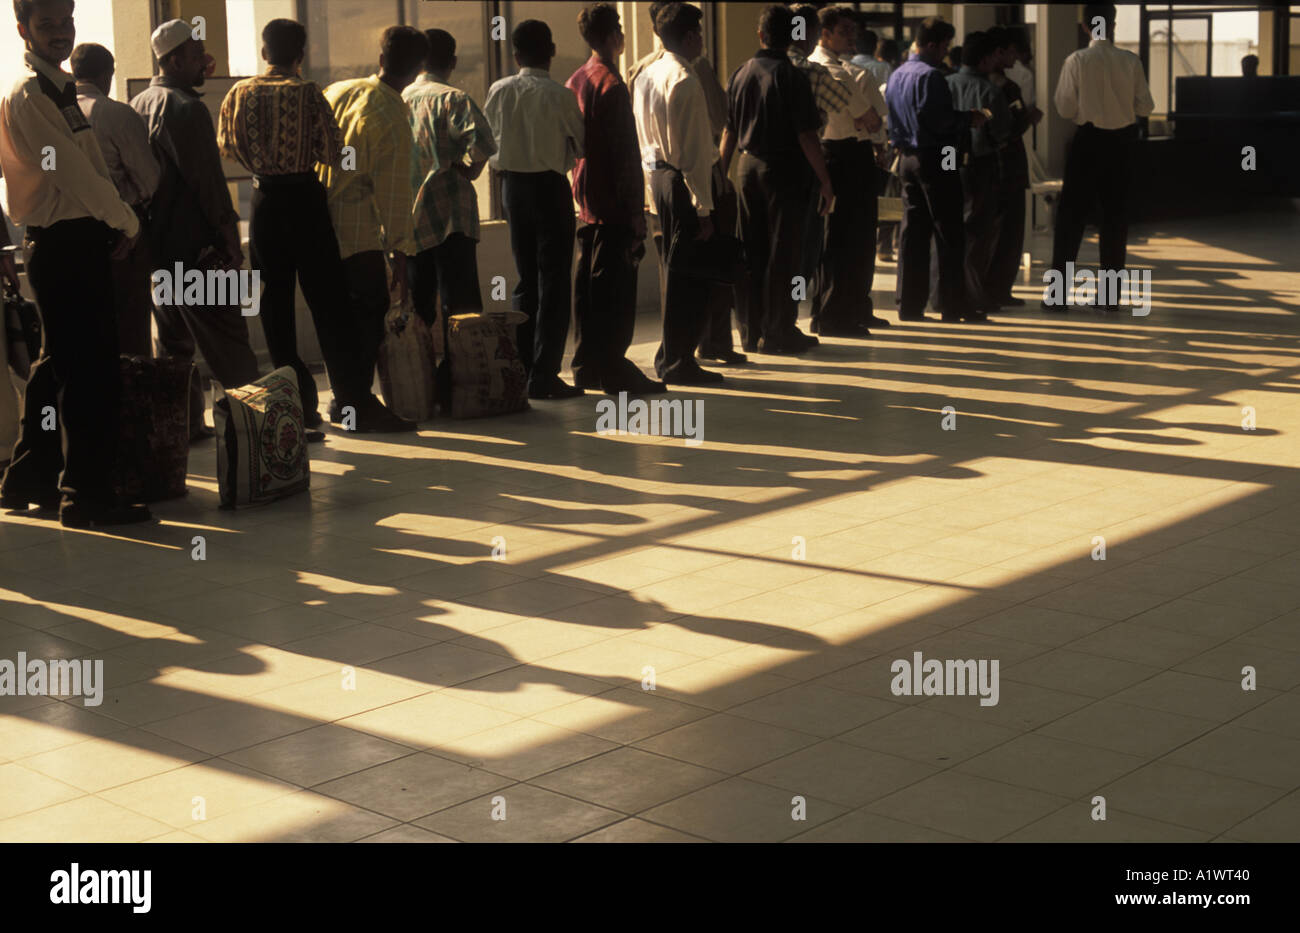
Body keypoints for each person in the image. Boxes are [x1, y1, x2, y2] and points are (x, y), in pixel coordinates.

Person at [0, 0, 149, 526]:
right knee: (91, 374)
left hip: (79, 236)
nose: (61, 33)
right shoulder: (29, 94)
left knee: (56, 367)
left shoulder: (59, 88)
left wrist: (114, 220)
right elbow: (72, 175)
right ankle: (86, 496)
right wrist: (127, 221)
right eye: (48, 25)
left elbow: (91, 169)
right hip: (62, 242)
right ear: (23, 29)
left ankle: (29, 478)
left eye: (66, 23)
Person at [218, 18, 358, 434]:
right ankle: (348, 399)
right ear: (300, 54)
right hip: (306, 201)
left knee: (275, 308)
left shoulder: (239, 92)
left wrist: (262, 163)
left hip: (265, 202)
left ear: (264, 53)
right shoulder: (308, 93)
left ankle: (296, 408)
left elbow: (227, 146)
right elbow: (334, 152)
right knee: (328, 302)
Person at [133, 19, 261, 440]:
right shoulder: (186, 108)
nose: (205, 62)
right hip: (199, 252)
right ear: (172, 60)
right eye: (194, 55)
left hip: (160, 252)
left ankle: (182, 429)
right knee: (230, 343)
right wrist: (229, 235)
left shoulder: (142, 102)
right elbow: (207, 182)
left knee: (174, 348)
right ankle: (258, 432)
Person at [318, 25, 427, 427]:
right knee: (366, 316)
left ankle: (341, 402)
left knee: (334, 319)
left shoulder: (337, 91)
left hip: (318, 223)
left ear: (381, 59)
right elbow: (394, 192)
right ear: (418, 70)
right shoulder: (393, 114)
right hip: (358, 232)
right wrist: (401, 253)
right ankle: (358, 405)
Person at [626, 2, 745, 369]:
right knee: (692, 278)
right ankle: (678, 361)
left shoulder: (645, 73)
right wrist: (704, 210)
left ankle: (675, 356)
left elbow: (643, 140)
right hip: (684, 181)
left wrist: (653, 186)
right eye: (700, 35)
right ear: (692, 37)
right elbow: (694, 154)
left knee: (675, 273)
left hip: (657, 176)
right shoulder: (686, 79)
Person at [719, 4, 832, 355]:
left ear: (760, 34)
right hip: (784, 172)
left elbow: (730, 129)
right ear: (794, 36)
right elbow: (807, 135)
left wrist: (720, 174)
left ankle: (751, 332)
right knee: (786, 255)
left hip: (746, 167)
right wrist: (825, 181)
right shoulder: (791, 76)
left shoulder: (740, 72)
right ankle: (780, 330)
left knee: (752, 253)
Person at [484, 19, 586, 399]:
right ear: (553, 51)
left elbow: (487, 140)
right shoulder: (560, 95)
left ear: (514, 55)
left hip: (512, 188)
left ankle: (521, 367)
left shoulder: (499, 90)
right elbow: (582, 145)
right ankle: (545, 374)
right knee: (555, 281)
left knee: (525, 279)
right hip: (549, 187)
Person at [566, 4, 664, 396]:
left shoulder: (577, 79)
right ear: (612, 36)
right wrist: (635, 212)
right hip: (613, 204)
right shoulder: (612, 85)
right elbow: (625, 154)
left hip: (586, 199)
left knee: (588, 291)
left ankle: (586, 365)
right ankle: (615, 370)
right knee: (617, 293)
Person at [1049, 2, 1154, 313]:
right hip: (1121, 144)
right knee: (1114, 221)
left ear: (1084, 27)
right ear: (1113, 24)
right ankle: (1109, 297)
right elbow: (1146, 107)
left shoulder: (1077, 60)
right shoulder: (1130, 61)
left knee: (1070, 221)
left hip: (1088, 142)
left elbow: (1065, 108)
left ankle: (1058, 297)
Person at [885, 16, 988, 323]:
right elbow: (941, 121)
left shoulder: (897, 74)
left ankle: (909, 304)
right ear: (932, 44)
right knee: (949, 231)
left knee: (912, 233)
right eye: (944, 45)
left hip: (906, 157)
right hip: (938, 155)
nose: (945, 52)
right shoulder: (931, 77)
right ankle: (952, 304)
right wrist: (968, 119)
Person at [70, 42, 159, 358]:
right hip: (122, 236)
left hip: (68, 238)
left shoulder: (52, 115)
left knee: (83, 337)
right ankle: (130, 404)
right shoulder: (117, 114)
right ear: (108, 73)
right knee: (131, 334)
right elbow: (150, 181)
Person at [404, 28, 496, 331]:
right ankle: (461, 376)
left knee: (420, 307)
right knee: (462, 308)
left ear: (417, 61)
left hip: (411, 217)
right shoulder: (454, 99)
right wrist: (471, 171)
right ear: (452, 61)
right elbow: (483, 143)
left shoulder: (399, 100)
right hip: (452, 215)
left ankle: (425, 375)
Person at [809, 5, 886, 337]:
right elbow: (874, 120)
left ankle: (845, 309)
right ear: (825, 33)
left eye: (853, 31)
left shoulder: (819, 67)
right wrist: (865, 121)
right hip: (848, 154)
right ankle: (837, 314)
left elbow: (872, 119)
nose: (852, 37)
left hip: (829, 153)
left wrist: (866, 120)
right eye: (844, 31)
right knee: (851, 238)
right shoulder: (838, 72)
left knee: (835, 238)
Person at [945, 31, 1013, 315]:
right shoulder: (990, 92)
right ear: (986, 60)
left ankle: (944, 294)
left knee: (948, 229)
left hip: (947, 162)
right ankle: (973, 295)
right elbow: (1002, 133)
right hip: (979, 164)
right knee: (978, 234)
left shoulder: (944, 84)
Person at [986, 26, 1039, 308]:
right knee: (1009, 229)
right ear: (1000, 52)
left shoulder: (971, 82)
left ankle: (984, 286)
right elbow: (1012, 126)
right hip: (1009, 163)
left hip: (984, 165)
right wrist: (1029, 117)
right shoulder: (1008, 86)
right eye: (1012, 52)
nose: (1016, 58)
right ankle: (998, 288)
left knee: (987, 227)